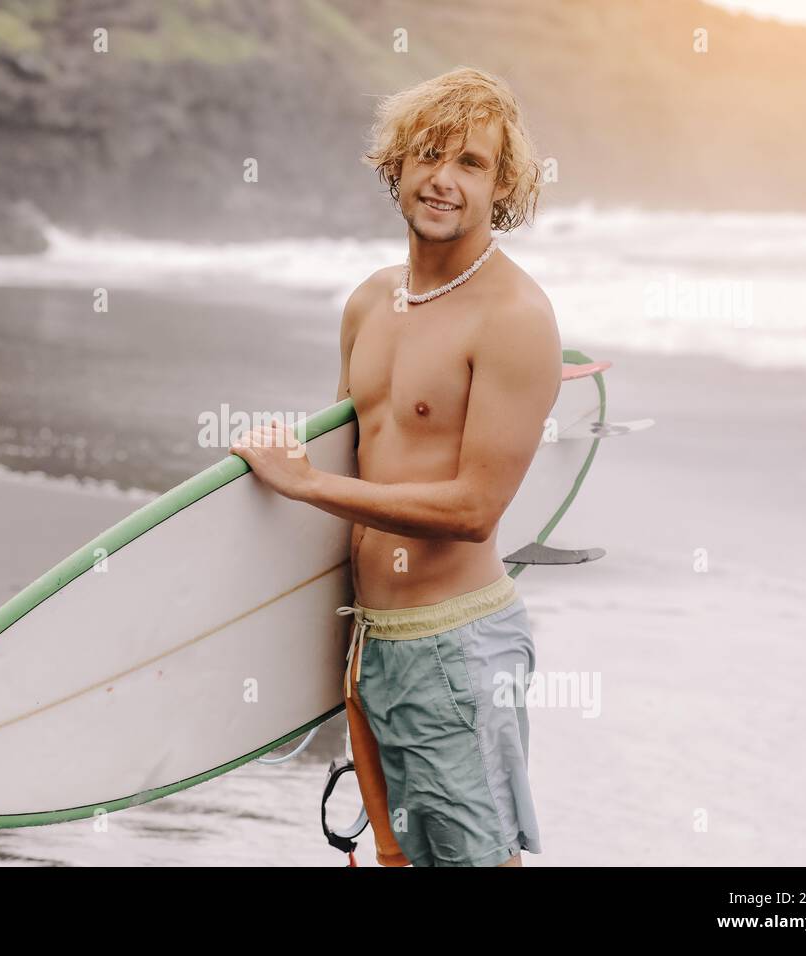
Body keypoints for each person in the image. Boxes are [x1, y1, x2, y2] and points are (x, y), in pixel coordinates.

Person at [230, 66, 560, 867]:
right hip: (371, 643)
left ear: (502, 184)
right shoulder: (370, 302)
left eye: (471, 163)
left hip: (456, 646)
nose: (443, 180)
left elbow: (476, 508)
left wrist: (303, 483)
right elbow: (357, 456)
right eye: (427, 156)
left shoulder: (515, 319)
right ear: (396, 167)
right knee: (399, 861)